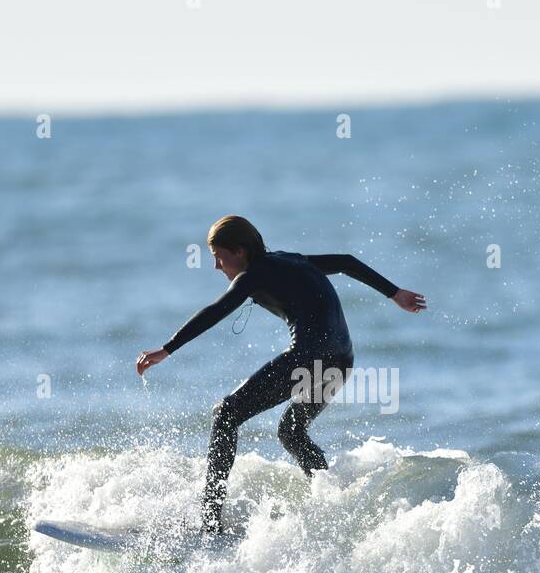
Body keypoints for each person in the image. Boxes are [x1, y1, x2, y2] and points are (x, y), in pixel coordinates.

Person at [136, 215, 426, 533]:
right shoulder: (292, 261)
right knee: (291, 432)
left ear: (240, 251)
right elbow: (345, 262)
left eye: (219, 256)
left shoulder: (255, 274)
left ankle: (210, 521)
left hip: (308, 358)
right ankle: (332, 510)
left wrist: (167, 349)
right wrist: (394, 293)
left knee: (225, 414)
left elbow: (217, 310)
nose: (217, 267)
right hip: (341, 361)